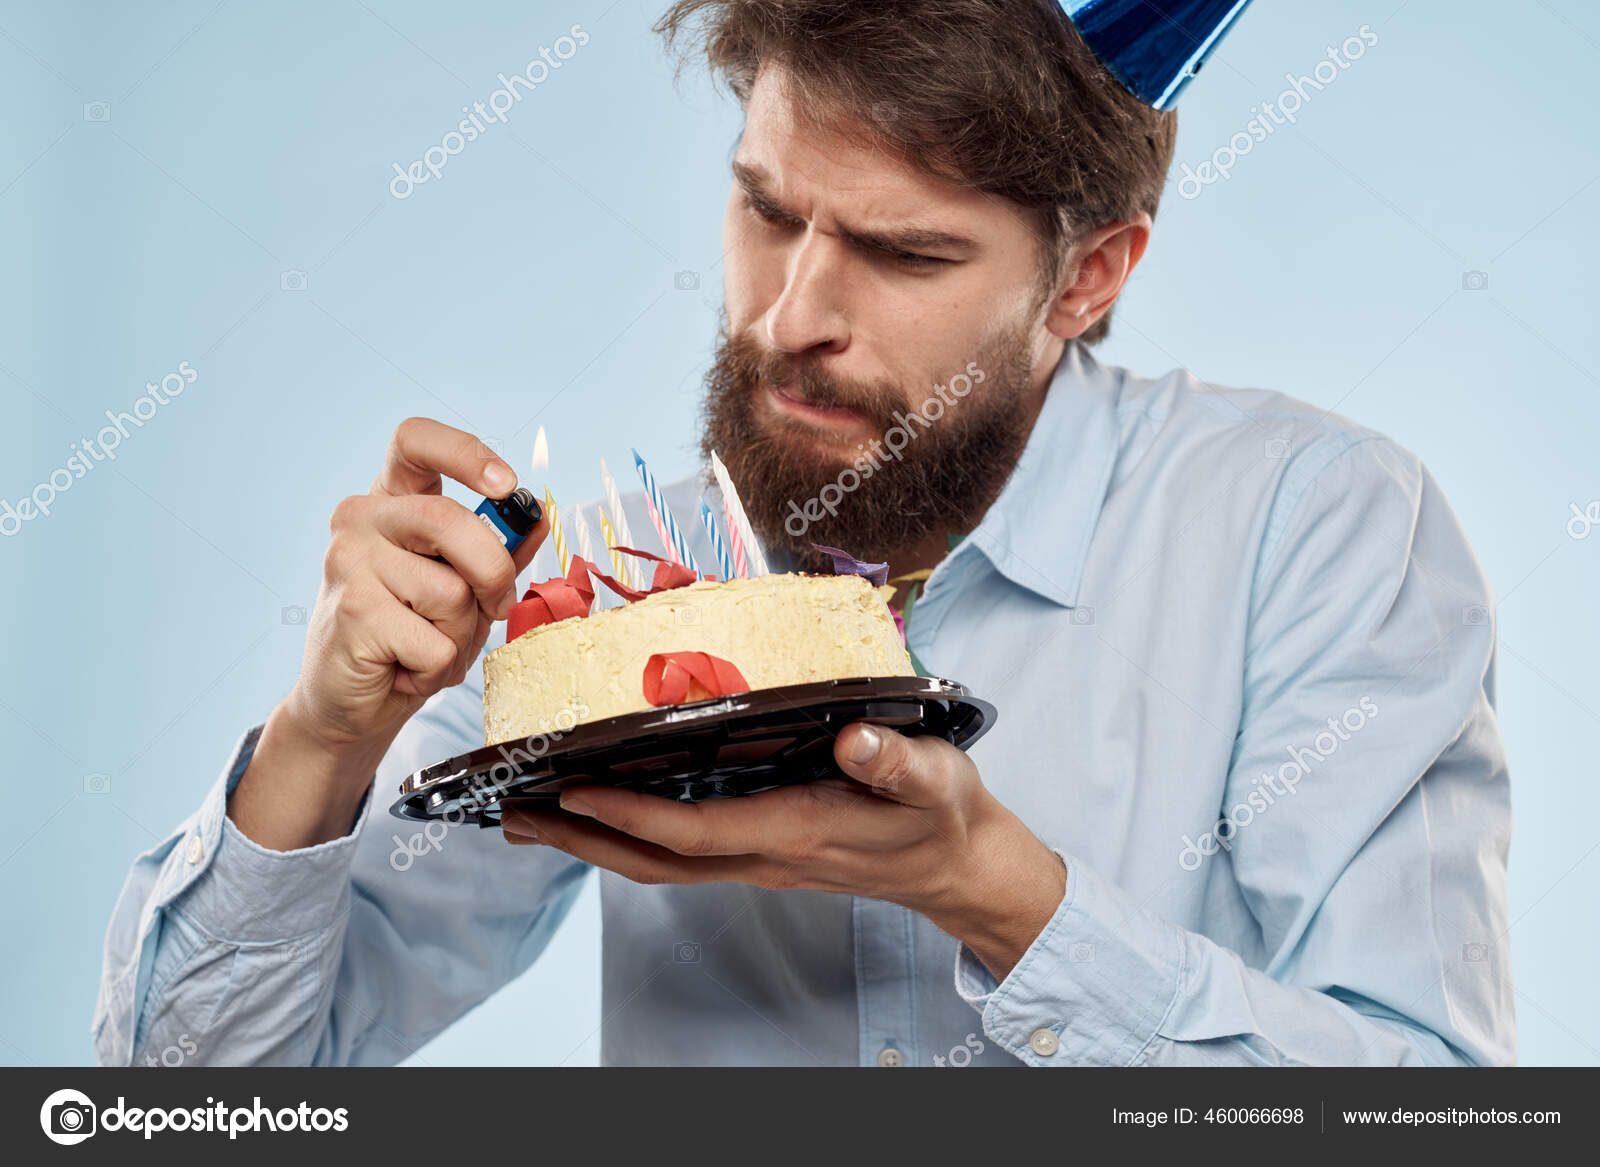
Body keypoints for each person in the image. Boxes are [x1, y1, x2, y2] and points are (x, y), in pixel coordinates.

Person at [95, 0, 1514, 1067]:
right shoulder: (608, 598)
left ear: (1089, 277)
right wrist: (321, 742)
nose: (789, 319)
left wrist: (997, 899)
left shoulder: (1317, 533)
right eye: (768, 209)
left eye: (904, 253)